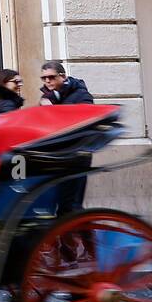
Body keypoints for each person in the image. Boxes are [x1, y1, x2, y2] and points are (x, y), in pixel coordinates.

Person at [37, 60, 94, 215]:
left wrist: (54, 111)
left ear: (63, 76)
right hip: (58, 156)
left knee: (72, 205)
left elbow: (86, 122)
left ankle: (86, 237)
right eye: (44, 78)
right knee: (62, 205)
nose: (47, 81)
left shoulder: (81, 94)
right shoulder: (47, 97)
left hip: (78, 155)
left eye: (51, 77)